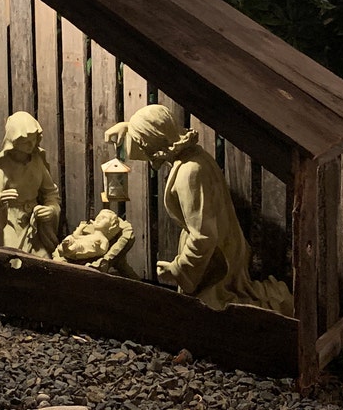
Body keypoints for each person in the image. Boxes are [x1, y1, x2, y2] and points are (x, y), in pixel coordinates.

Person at [105, 104, 293, 316]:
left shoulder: (189, 173)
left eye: (141, 144)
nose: (145, 156)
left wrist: (178, 269)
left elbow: (203, 236)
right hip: (221, 244)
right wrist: (129, 128)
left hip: (215, 258)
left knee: (214, 310)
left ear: (150, 144)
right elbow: (155, 137)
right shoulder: (192, 155)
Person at [0, 111, 61, 258]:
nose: (31, 144)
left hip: (33, 223)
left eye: (33, 139)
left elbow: (50, 193)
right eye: (25, 141)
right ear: (13, 140)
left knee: (44, 258)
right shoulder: (0, 168)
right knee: (12, 258)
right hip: (8, 222)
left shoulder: (37, 162)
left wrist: (51, 209)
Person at [53, 208, 139, 279]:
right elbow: (77, 236)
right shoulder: (90, 232)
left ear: (111, 227)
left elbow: (103, 250)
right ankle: (65, 249)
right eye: (98, 217)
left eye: (103, 218)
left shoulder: (103, 239)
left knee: (78, 247)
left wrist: (100, 251)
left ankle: (68, 250)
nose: (99, 219)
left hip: (89, 249)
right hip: (81, 244)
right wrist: (80, 228)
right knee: (71, 239)